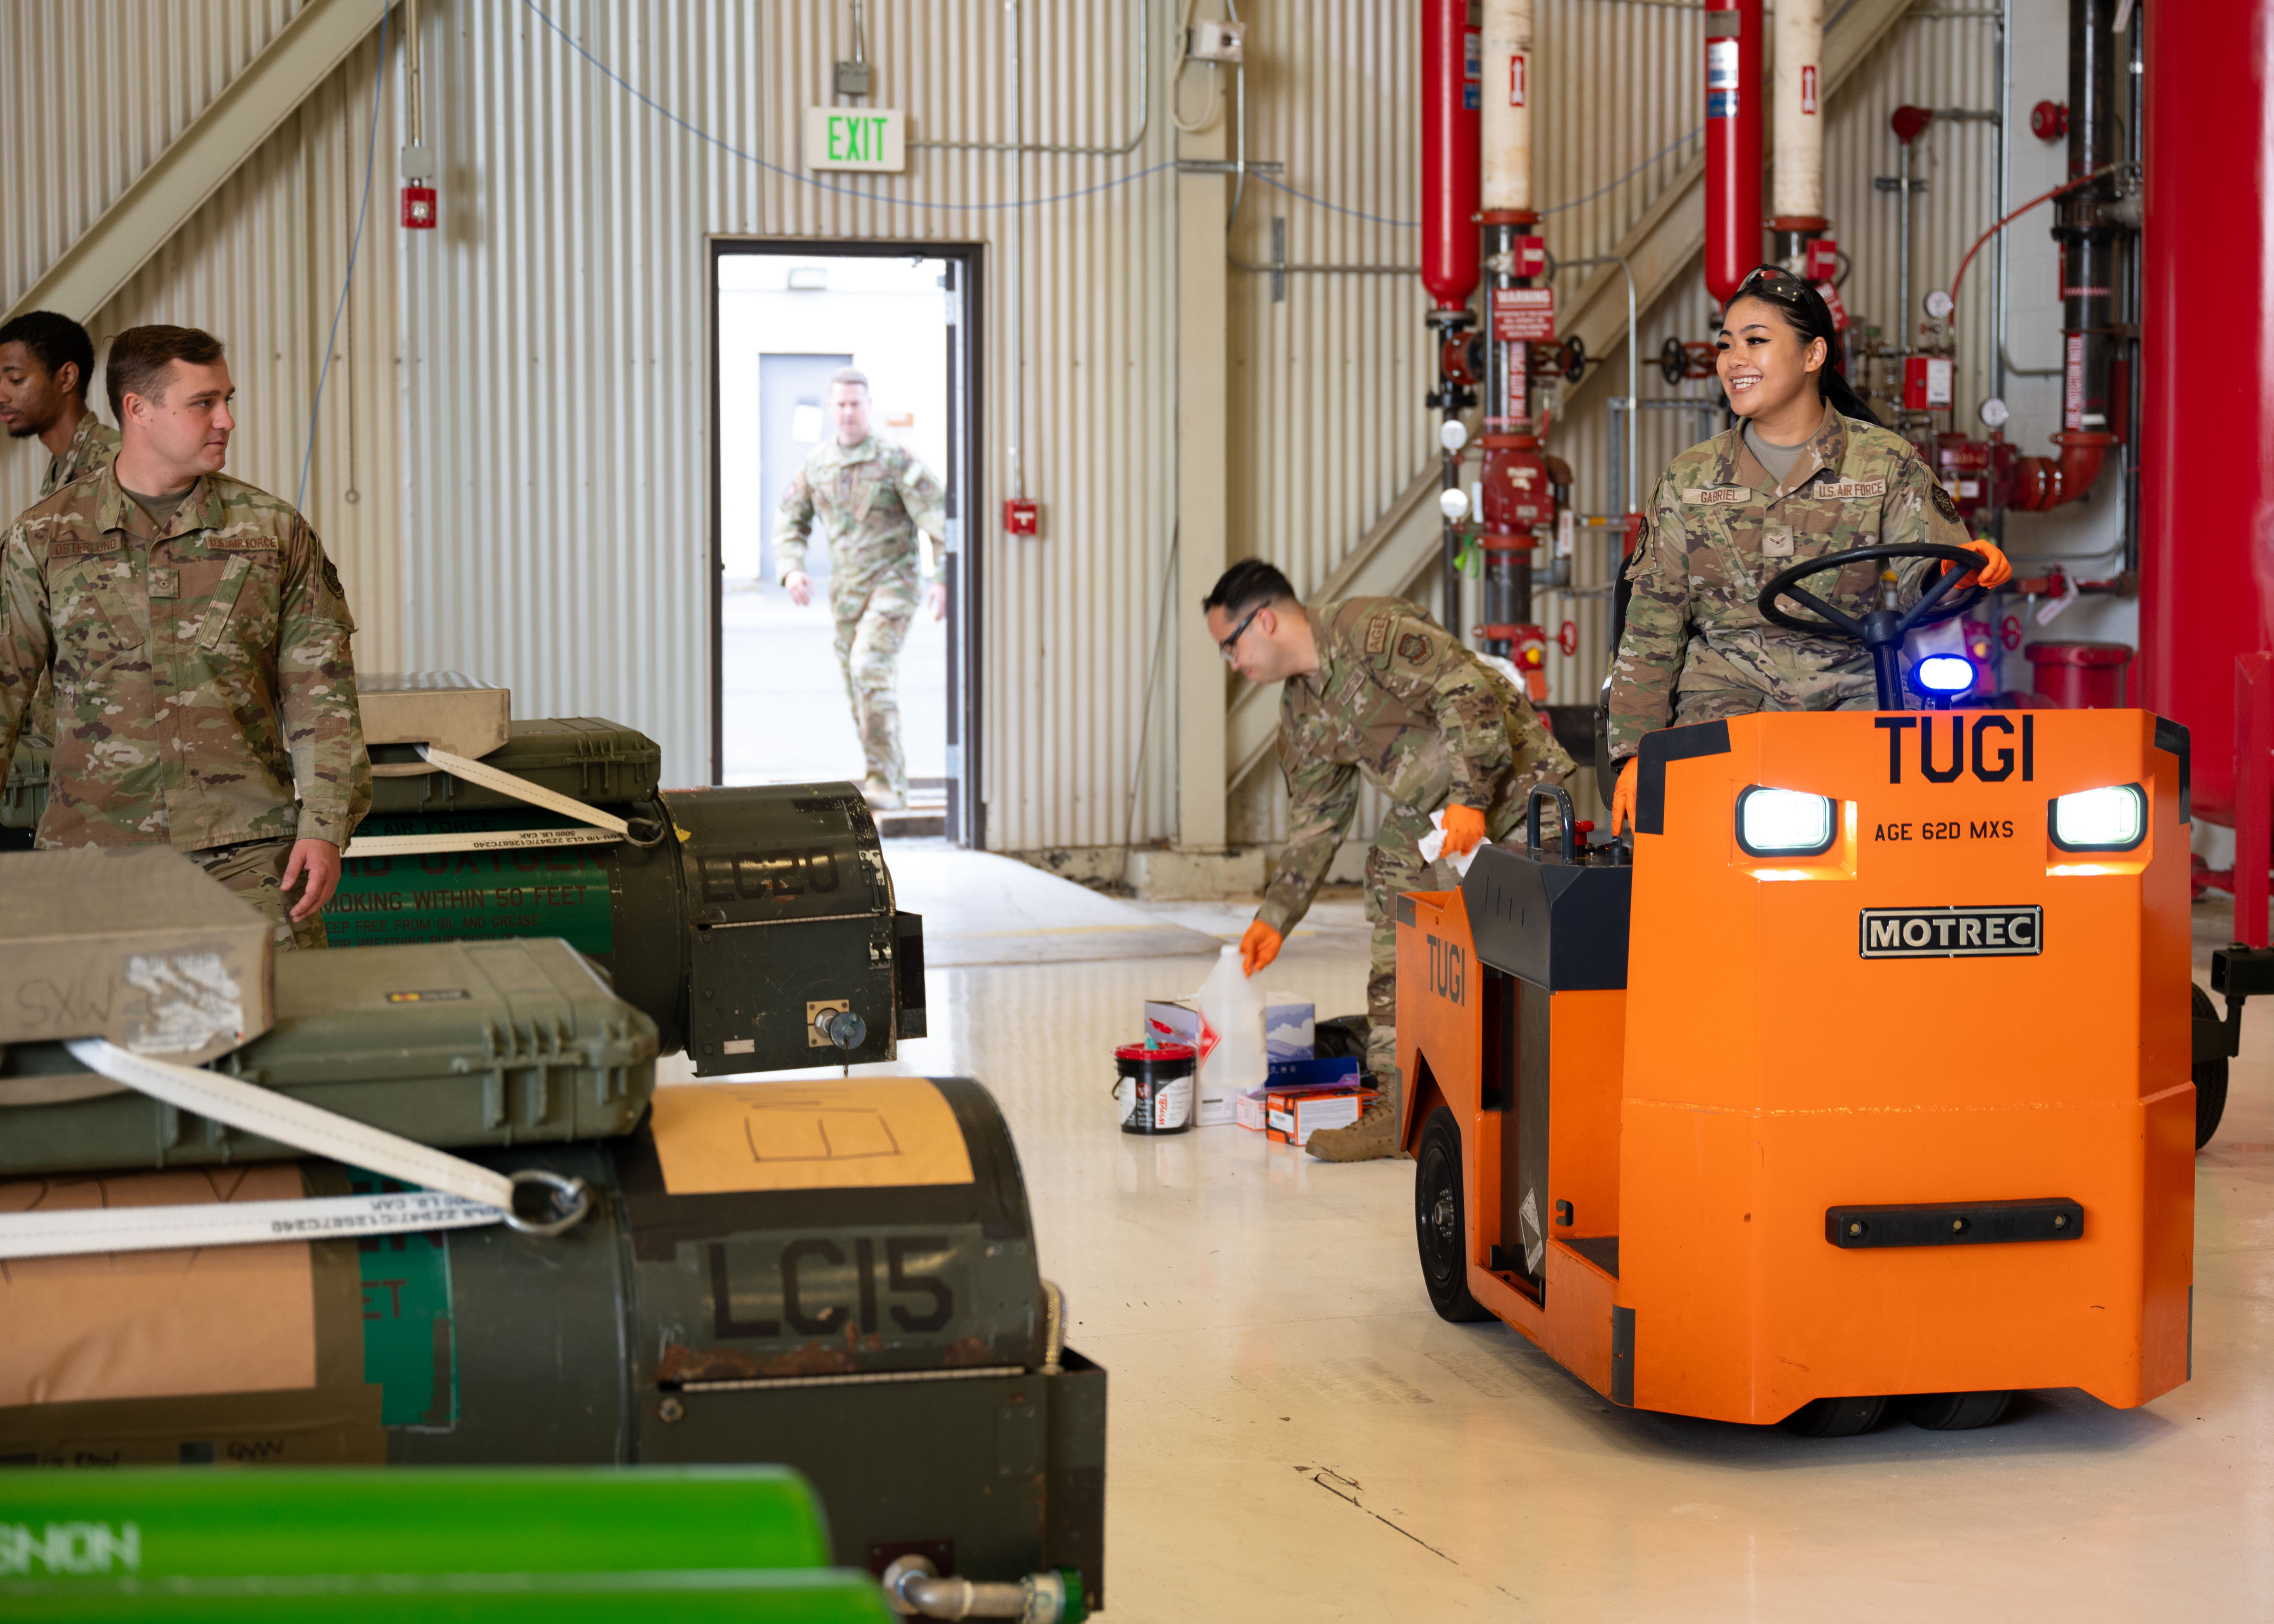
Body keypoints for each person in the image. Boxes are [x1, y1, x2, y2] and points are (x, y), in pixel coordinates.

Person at [1603, 265, 2011, 834]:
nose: (1732, 360)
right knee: (1707, 827)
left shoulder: (1884, 461)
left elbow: (1931, 573)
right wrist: (1633, 754)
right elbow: (1652, 622)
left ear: (1812, 354)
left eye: (1755, 341)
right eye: (1725, 345)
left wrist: (1960, 570)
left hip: (1852, 681)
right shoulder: (1688, 477)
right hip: (1725, 689)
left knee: (1907, 817)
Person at [0, 324, 371, 948]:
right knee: (87, 1037)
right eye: (204, 403)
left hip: (248, 856)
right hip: (92, 857)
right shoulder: (44, 538)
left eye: (227, 399)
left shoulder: (273, 533)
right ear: (137, 410)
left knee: (281, 1032)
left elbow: (322, 695)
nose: (226, 419)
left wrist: (325, 825)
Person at [1208, 561, 1574, 1163]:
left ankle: (1547, 1099)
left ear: (1263, 620)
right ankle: (1397, 1101)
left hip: (1518, 789)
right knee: (1390, 880)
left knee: (1526, 948)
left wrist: (1470, 797)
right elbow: (1316, 822)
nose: (1233, 664)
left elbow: (1467, 688)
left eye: (1230, 645)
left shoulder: (1367, 631)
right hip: (1438, 814)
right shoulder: (1301, 714)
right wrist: (1274, 916)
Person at [776, 368, 948, 812]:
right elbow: (789, 518)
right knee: (858, 684)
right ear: (831, 408)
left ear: (868, 406)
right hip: (847, 594)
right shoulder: (817, 464)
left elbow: (940, 519)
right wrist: (791, 569)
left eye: (856, 403)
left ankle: (886, 784)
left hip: (895, 583)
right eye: (841, 404)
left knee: (868, 666)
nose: (849, 411)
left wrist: (945, 579)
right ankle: (886, 774)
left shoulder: (895, 460)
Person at [0, 312, 124, 837]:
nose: (2, 393)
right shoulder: (61, 473)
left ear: (66, 377)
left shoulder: (116, 469)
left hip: (115, 754)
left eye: (14, 377)